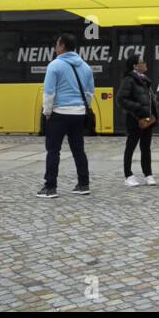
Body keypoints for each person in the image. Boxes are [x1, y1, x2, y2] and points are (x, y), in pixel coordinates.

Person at [38, 33, 94, 199]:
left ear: (62, 45)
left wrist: (47, 112)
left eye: (57, 44)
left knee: (53, 150)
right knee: (79, 150)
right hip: (79, 113)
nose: (56, 48)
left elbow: (49, 93)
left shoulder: (54, 66)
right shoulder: (85, 67)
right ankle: (83, 184)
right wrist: (85, 108)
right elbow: (90, 93)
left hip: (59, 113)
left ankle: (50, 187)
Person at [116, 54, 159, 187]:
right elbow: (121, 99)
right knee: (131, 147)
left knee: (146, 148)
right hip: (135, 119)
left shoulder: (145, 79)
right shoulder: (129, 80)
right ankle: (128, 175)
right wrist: (138, 108)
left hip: (147, 119)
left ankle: (148, 174)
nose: (145, 64)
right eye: (142, 62)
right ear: (135, 66)